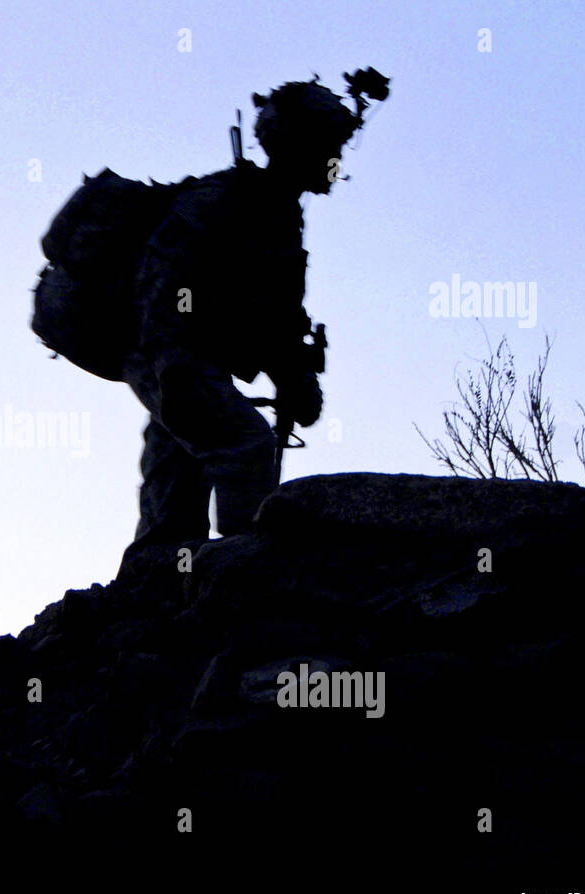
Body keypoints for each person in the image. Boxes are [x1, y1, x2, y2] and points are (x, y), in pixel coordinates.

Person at [120, 71, 387, 567]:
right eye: (328, 148)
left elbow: (277, 318)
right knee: (244, 447)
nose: (337, 162)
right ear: (297, 148)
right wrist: (172, 358)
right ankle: (246, 578)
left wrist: (295, 377)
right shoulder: (227, 198)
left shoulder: (278, 218)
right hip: (163, 350)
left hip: (188, 356)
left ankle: (159, 583)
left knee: (181, 466)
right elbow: (163, 271)